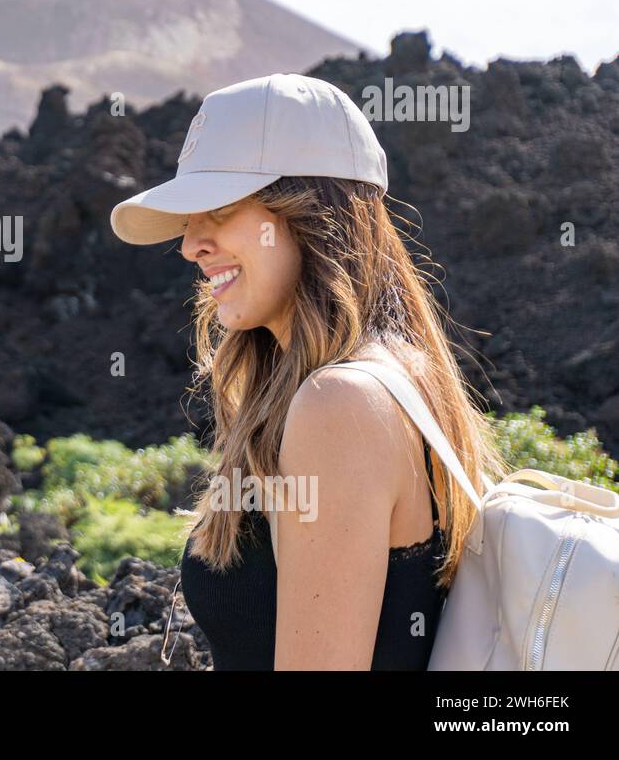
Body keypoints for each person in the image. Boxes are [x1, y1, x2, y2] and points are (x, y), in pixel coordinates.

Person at [109, 73, 510, 670]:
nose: (191, 243)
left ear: (311, 212)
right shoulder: (402, 374)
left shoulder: (340, 403)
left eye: (217, 209)